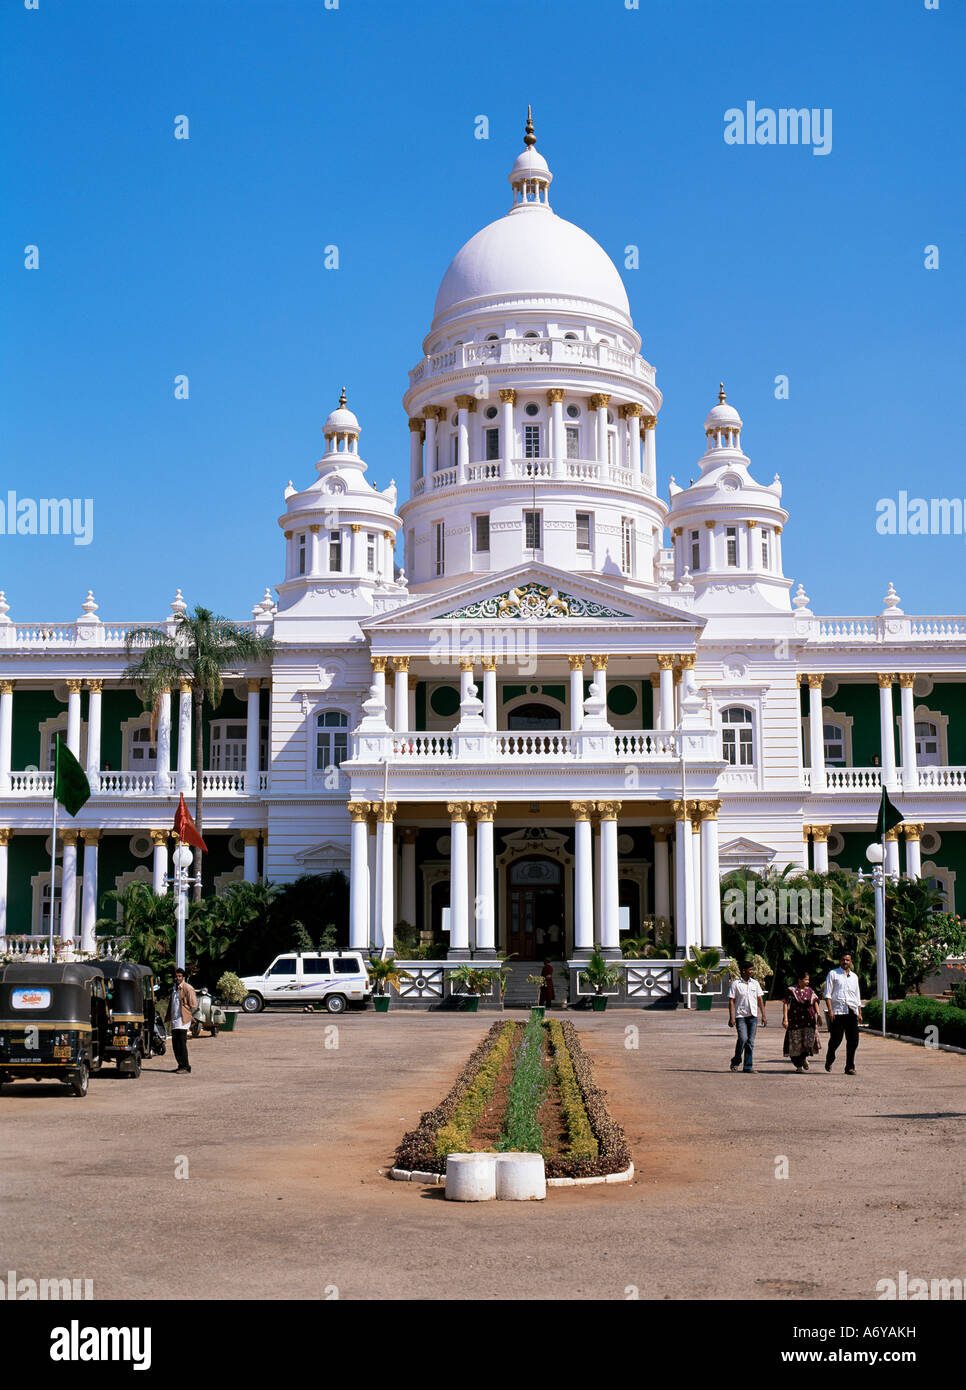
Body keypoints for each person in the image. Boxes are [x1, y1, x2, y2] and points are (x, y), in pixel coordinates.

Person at [824, 951, 862, 1074]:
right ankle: (830, 1056)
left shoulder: (854, 977)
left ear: (851, 962)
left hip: (851, 1011)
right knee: (836, 1038)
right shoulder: (833, 974)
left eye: (847, 960)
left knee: (853, 1040)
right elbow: (827, 994)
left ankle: (850, 1066)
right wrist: (830, 1011)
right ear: (840, 961)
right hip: (837, 1012)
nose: (845, 962)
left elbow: (857, 996)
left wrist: (859, 1012)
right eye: (843, 959)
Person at [727, 962, 767, 1072]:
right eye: (750, 970)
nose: (752, 972)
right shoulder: (736, 984)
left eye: (752, 970)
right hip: (740, 1016)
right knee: (743, 1039)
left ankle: (748, 1067)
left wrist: (763, 1015)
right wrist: (732, 1017)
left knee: (750, 1042)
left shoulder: (755, 983)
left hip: (753, 1016)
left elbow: (760, 1000)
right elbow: (731, 1001)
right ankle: (736, 1060)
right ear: (743, 971)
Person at [782, 971, 823, 1071]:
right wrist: (785, 1019)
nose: (808, 982)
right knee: (794, 1044)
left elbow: (815, 1002)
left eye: (808, 980)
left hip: (809, 1021)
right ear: (799, 980)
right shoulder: (791, 990)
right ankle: (798, 1065)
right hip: (795, 1022)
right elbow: (785, 1004)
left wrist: (819, 1015)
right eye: (806, 980)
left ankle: (804, 1058)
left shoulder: (810, 990)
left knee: (807, 1043)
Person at [169, 967, 197, 1075]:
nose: (177, 978)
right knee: (175, 1045)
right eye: (176, 976)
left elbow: (193, 1004)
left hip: (183, 1020)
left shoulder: (187, 988)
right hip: (175, 1019)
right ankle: (180, 1065)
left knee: (181, 1044)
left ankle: (186, 1066)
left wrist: (190, 1016)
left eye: (179, 976)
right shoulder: (174, 988)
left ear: (183, 977)